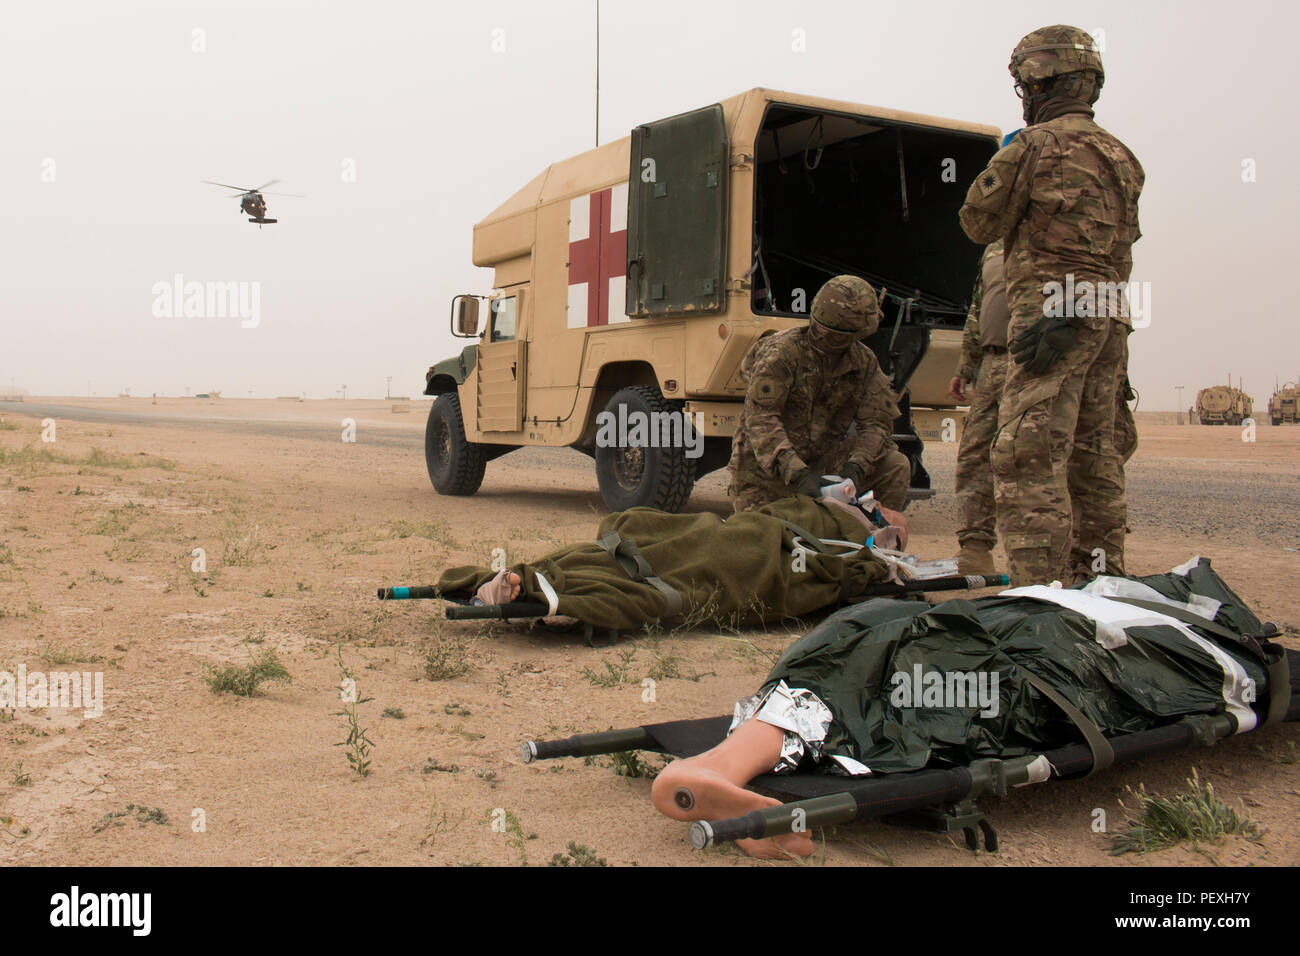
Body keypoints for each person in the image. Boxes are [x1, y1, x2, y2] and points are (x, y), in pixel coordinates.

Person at [959, 24, 1144, 586]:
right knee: (1095, 457)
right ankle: (1100, 585)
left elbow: (977, 221)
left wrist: (1008, 161)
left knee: (1026, 454)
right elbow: (1122, 250)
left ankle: (1036, 599)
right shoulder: (1122, 156)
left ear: (1039, 81)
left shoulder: (1037, 146)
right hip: (1107, 310)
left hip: (1052, 314)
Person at [727, 275, 911, 514]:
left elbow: (876, 424)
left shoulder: (863, 361)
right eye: (836, 336)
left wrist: (856, 467)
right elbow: (761, 420)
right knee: (768, 543)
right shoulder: (782, 353)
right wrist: (797, 473)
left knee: (895, 465)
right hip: (767, 474)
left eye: (850, 336)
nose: (840, 343)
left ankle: (874, 541)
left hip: (822, 464)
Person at [949, 239, 1009, 575]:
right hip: (992, 365)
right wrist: (967, 365)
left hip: (1035, 365)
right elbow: (978, 307)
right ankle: (975, 550)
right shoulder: (994, 249)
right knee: (974, 456)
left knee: (1027, 458)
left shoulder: (1054, 241)